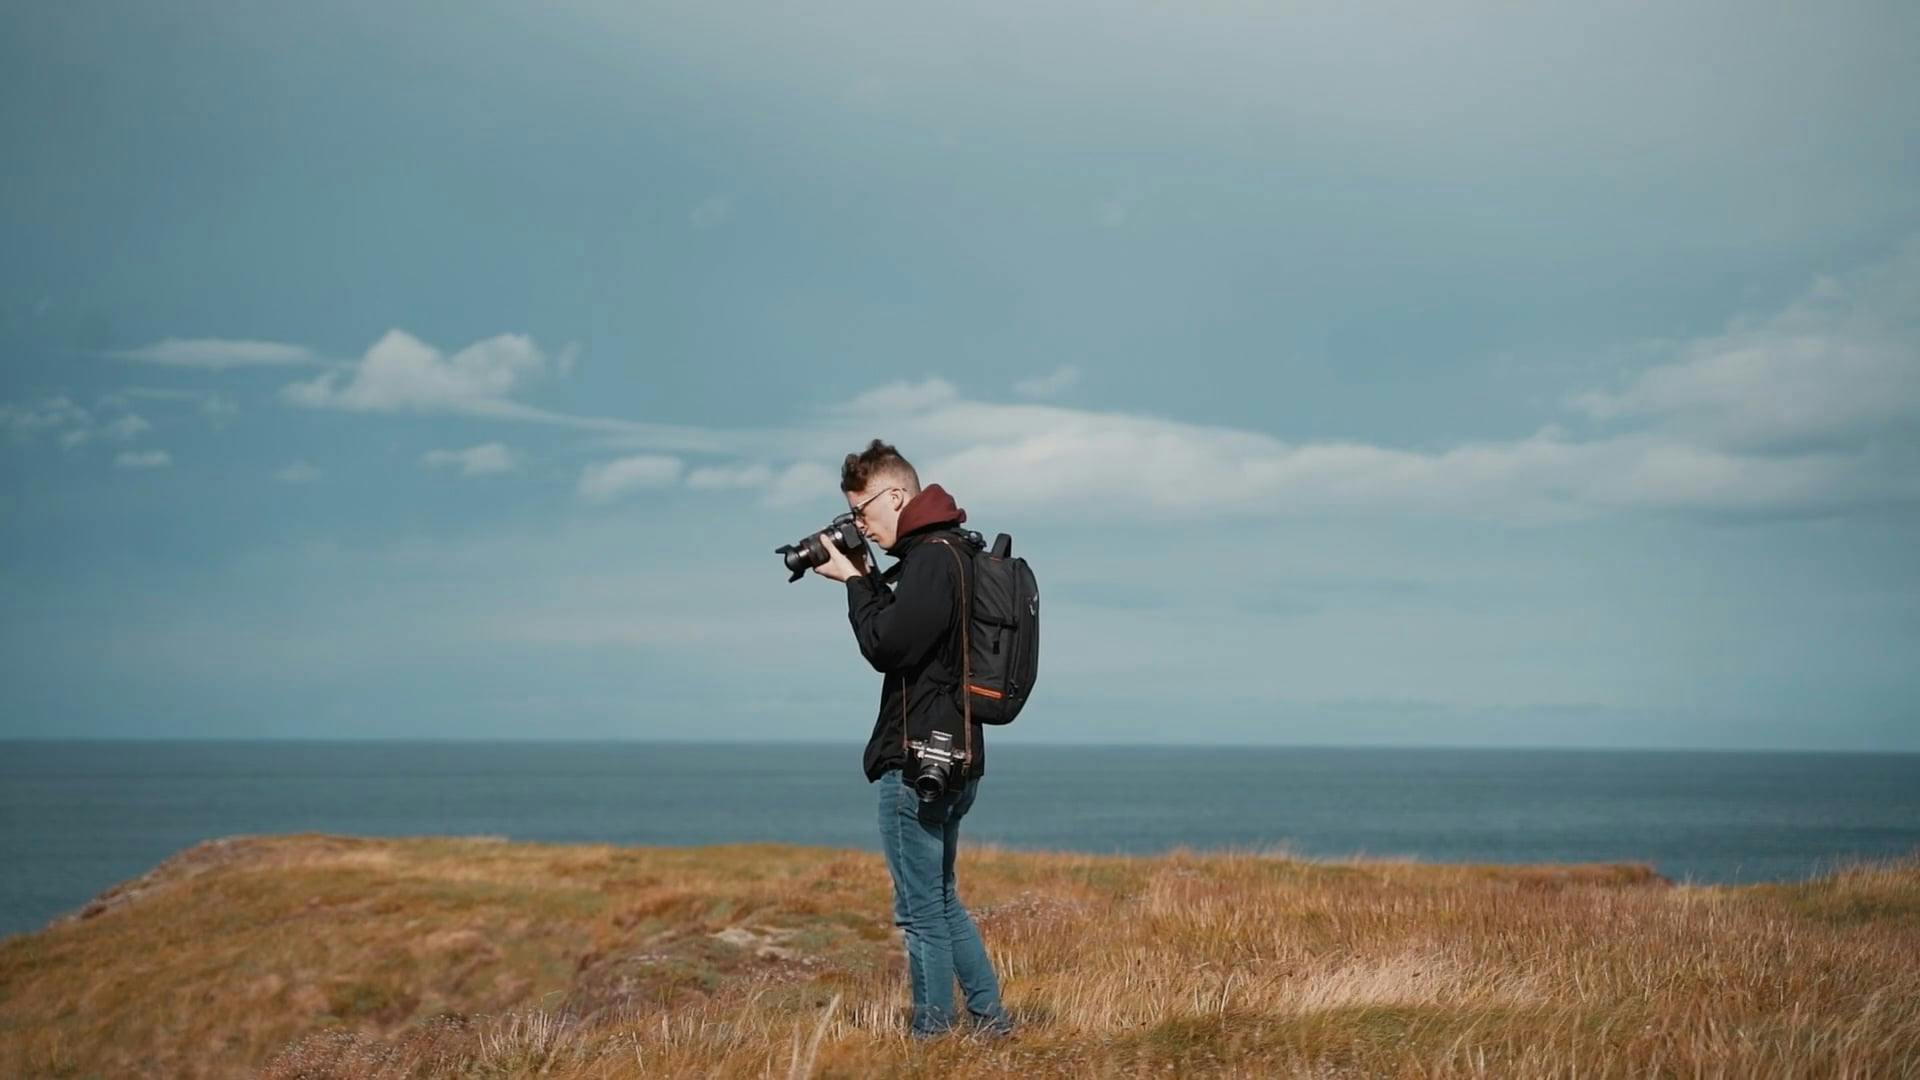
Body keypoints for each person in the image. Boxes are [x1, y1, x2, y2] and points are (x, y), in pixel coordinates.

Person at [808, 438, 1014, 1040]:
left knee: (921, 914)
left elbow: (887, 646)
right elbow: (908, 636)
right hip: (956, 755)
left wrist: (852, 582)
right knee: (942, 902)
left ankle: (931, 1037)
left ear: (897, 494)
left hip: (918, 760)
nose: (861, 527)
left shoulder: (932, 558)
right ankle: (989, 1024)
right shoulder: (955, 552)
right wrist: (866, 578)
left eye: (864, 512)